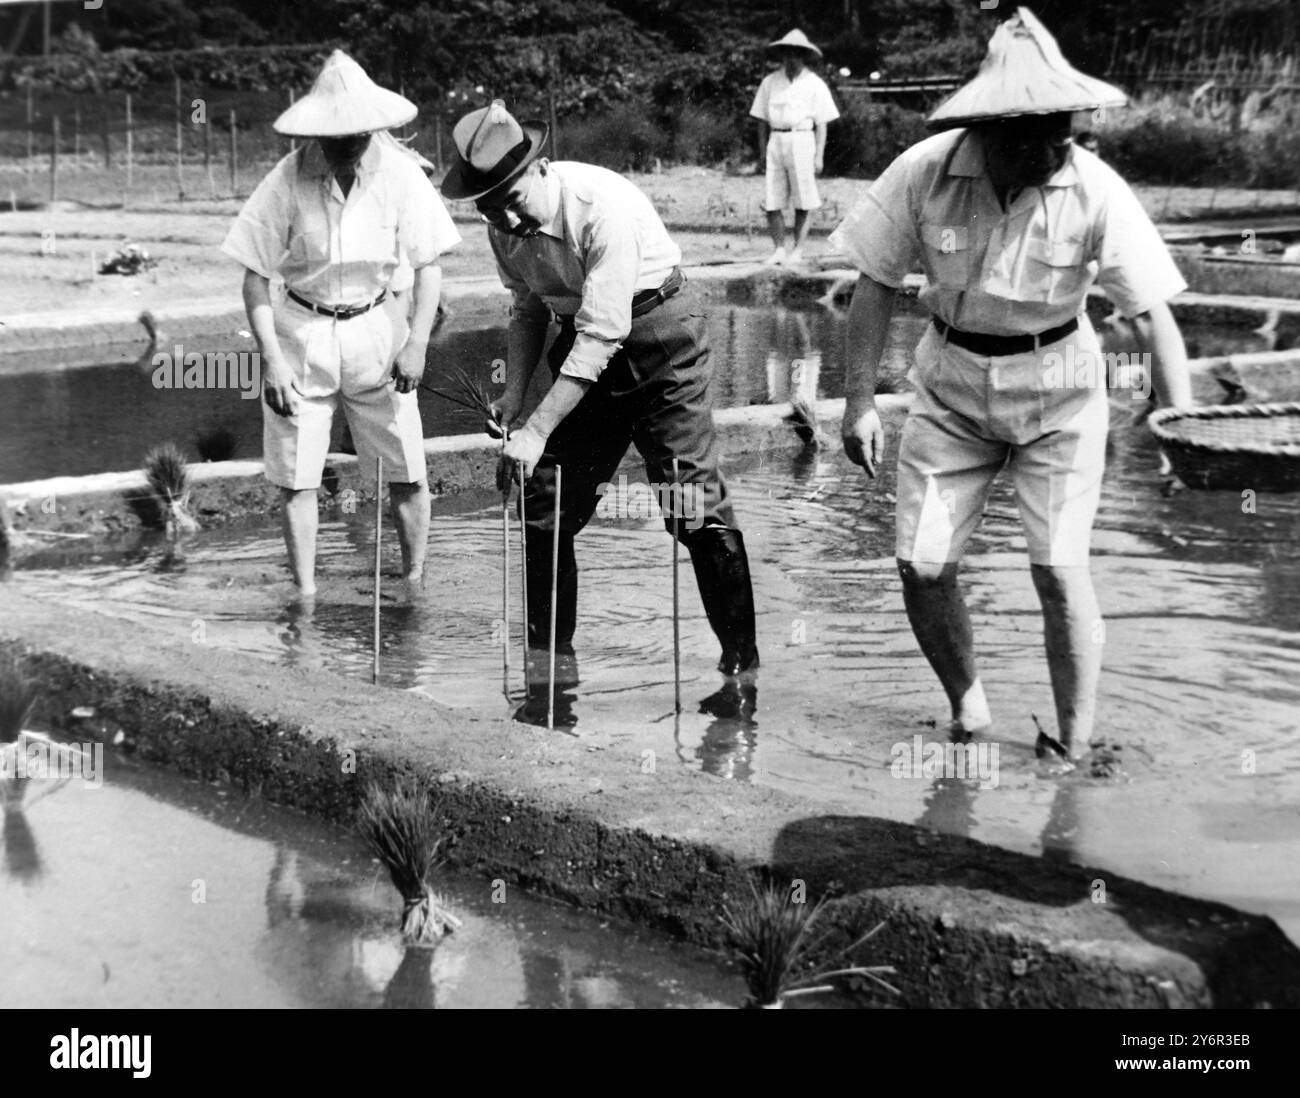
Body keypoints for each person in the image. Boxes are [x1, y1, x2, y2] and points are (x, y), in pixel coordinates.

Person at [831, 8, 1193, 763]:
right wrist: (859, 400)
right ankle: (968, 714)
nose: (1058, 146)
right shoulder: (924, 172)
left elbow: (1153, 314)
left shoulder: (1094, 188)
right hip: (953, 387)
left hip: (1060, 390)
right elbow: (873, 286)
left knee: (1059, 571)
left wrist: (1179, 423)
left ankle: (1073, 745)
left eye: (1068, 128)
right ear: (992, 129)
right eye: (1039, 132)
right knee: (922, 566)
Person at [439, 100, 759, 715]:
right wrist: (515, 395)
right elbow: (529, 309)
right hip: (587, 339)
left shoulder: (599, 207)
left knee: (689, 503)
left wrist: (536, 427)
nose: (506, 216)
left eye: (512, 196)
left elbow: (601, 338)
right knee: (546, 496)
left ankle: (740, 676)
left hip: (660, 334)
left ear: (541, 169)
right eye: (489, 205)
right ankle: (551, 676)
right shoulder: (503, 227)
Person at [221, 51, 460, 601]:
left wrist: (418, 342)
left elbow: (428, 266)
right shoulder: (286, 178)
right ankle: (304, 593)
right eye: (334, 136)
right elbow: (255, 277)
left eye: (356, 135)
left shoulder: (399, 174)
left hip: (377, 327)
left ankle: (413, 582)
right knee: (298, 475)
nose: (346, 146)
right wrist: (272, 362)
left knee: (405, 466)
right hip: (302, 331)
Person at [749, 28, 840, 268]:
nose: (792, 58)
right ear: (782, 56)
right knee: (772, 198)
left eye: (797, 54)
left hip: (803, 140)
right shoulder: (770, 82)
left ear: (805, 56)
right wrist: (761, 153)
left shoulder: (815, 84)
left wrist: (819, 155)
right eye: (788, 53)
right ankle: (778, 249)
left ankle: (798, 250)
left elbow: (822, 124)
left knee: (804, 199)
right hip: (776, 140)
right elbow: (761, 121)